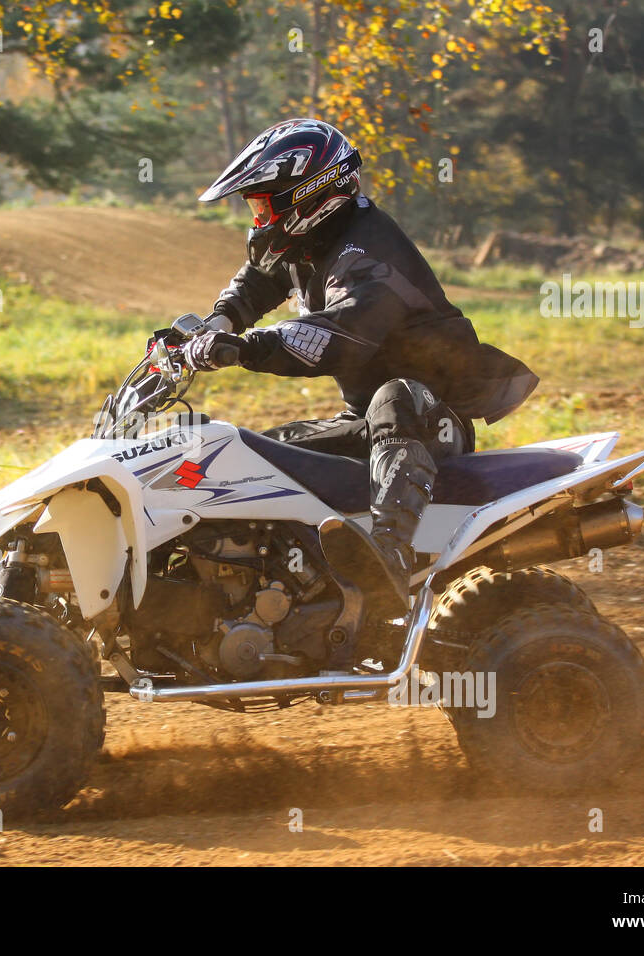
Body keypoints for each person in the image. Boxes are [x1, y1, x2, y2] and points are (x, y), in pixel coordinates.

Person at [184, 118, 539, 620]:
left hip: (431, 418)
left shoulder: (370, 251)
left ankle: (387, 560)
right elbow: (260, 279)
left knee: (395, 394)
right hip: (367, 424)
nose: (258, 217)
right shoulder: (313, 241)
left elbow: (337, 339)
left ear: (306, 197)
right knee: (266, 457)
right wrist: (211, 323)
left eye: (264, 203)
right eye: (254, 206)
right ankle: (296, 598)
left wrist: (243, 349)